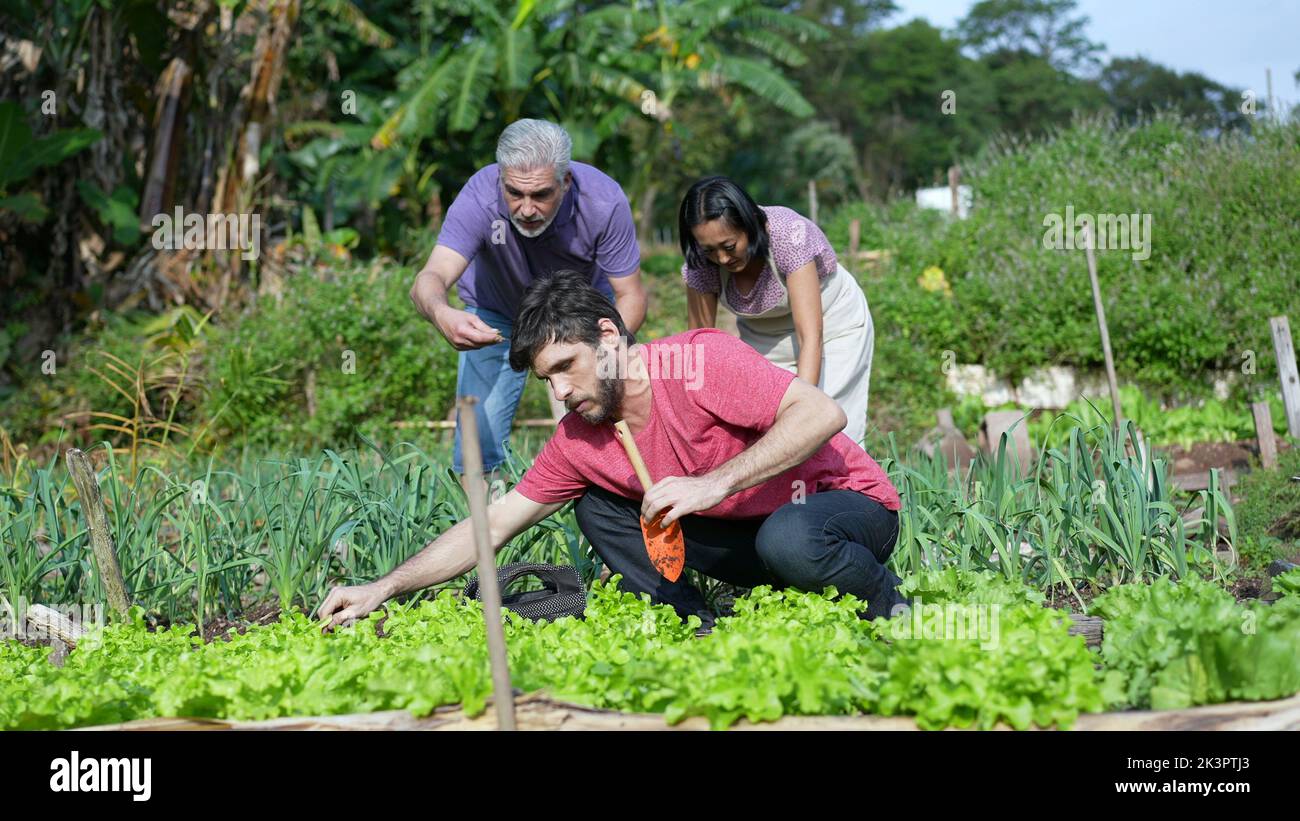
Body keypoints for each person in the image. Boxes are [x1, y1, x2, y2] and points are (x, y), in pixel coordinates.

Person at [319, 271, 909, 632]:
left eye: (564, 369)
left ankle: (891, 608)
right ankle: (696, 621)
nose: (560, 392)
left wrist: (713, 483)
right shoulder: (578, 438)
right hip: (750, 541)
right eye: (545, 381)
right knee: (597, 505)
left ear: (607, 337)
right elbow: (491, 526)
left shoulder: (698, 363)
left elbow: (822, 413)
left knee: (790, 538)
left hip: (844, 512)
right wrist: (384, 587)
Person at [409, 119, 647, 490]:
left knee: (596, 427)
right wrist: (442, 313)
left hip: (578, 322)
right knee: (478, 441)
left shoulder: (603, 201)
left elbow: (631, 296)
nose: (526, 209)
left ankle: (592, 519)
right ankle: (484, 534)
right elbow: (430, 278)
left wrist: (603, 354)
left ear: (565, 182)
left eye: (540, 195)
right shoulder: (479, 197)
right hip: (496, 314)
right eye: (514, 193)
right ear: (501, 178)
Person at [680, 176, 874, 445]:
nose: (722, 259)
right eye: (710, 250)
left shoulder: (787, 235)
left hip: (830, 328)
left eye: (729, 246)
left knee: (830, 428)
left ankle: (849, 486)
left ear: (749, 224)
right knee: (765, 431)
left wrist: (804, 410)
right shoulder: (701, 261)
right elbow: (701, 347)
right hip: (763, 339)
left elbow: (811, 337)